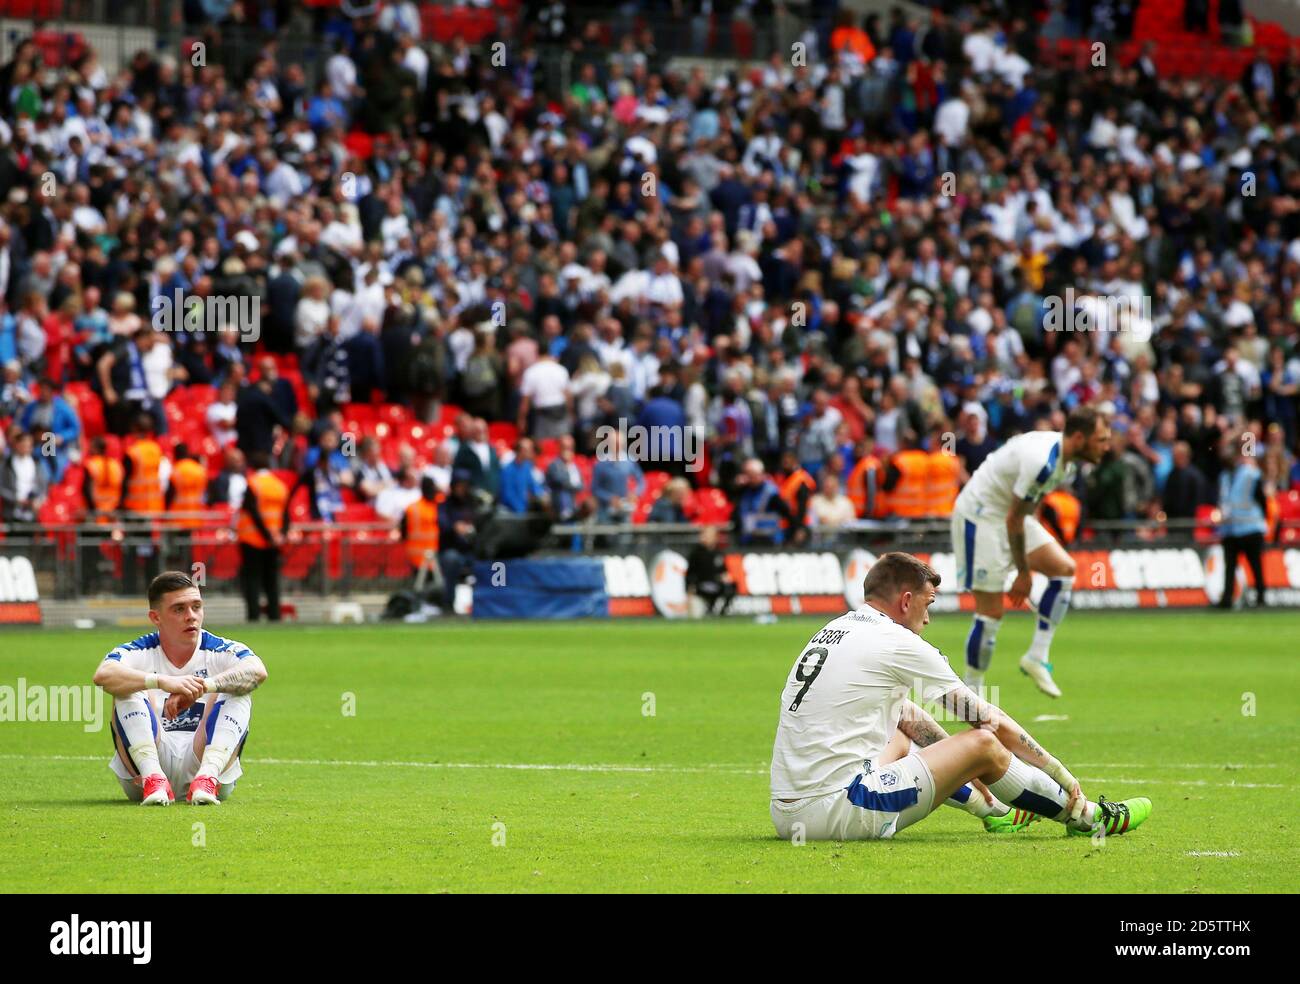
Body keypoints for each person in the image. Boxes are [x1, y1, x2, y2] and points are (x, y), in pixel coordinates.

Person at [770, 552, 1152, 841]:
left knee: (905, 736)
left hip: (788, 814)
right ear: (906, 601)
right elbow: (988, 722)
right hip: (839, 811)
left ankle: (992, 808)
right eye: (927, 602)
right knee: (984, 744)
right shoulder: (896, 641)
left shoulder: (836, 630)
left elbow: (908, 717)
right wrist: (1059, 772)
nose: (928, 617)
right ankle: (1086, 818)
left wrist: (958, 765)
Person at [952, 406, 1111, 698]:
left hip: (1012, 516)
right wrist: (1023, 573)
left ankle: (1037, 656)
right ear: (1078, 437)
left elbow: (1022, 511)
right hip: (980, 516)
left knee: (1063, 569)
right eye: (1101, 440)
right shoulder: (1045, 462)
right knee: (991, 612)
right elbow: (1014, 517)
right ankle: (971, 695)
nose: (1106, 446)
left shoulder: (1068, 463)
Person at [92, 570, 267, 805]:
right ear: (156, 617)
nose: (191, 616)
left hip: (206, 763)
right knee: (126, 687)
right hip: (143, 773)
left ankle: (206, 778)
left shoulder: (219, 649)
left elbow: (257, 672)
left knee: (238, 689)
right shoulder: (139, 650)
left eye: (197, 606)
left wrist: (204, 686)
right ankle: (153, 777)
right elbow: (103, 675)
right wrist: (161, 681)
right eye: (179, 609)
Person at [1216, 434, 1269, 610]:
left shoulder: (1250, 473)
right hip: (1230, 528)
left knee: (1255, 565)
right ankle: (1227, 598)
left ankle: (1261, 597)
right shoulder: (1225, 476)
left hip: (1250, 527)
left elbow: (1262, 499)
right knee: (1230, 567)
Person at [237, 451, 289, 622]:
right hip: (274, 540)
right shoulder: (280, 486)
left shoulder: (252, 483)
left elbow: (252, 512)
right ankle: (275, 615)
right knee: (272, 580)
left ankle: (254, 616)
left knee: (253, 579)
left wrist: (266, 536)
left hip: (252, 539)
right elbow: (286, 515)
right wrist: (281, 535)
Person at [0, 426, 48, 524]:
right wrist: (16, 499)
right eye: (23, 445)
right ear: (16, 445)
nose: (26, 448)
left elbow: (42, 485)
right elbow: (2, 487)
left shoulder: (36, 464)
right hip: (12, 512)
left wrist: (37, 499)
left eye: (28, 445)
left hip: (32, 512)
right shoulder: (6, 464)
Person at [685, 525, 737, 616]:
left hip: (715, 584)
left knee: (732, 586)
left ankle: (722, 613)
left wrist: (726, 577)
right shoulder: (696, 553)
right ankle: (710, 609)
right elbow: (690, 573)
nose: (708, 537)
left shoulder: (718, 553)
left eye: (711, 535)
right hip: (700, 586)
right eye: (706, 535)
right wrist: (689, 588)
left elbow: (723, 571)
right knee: (697, 616)